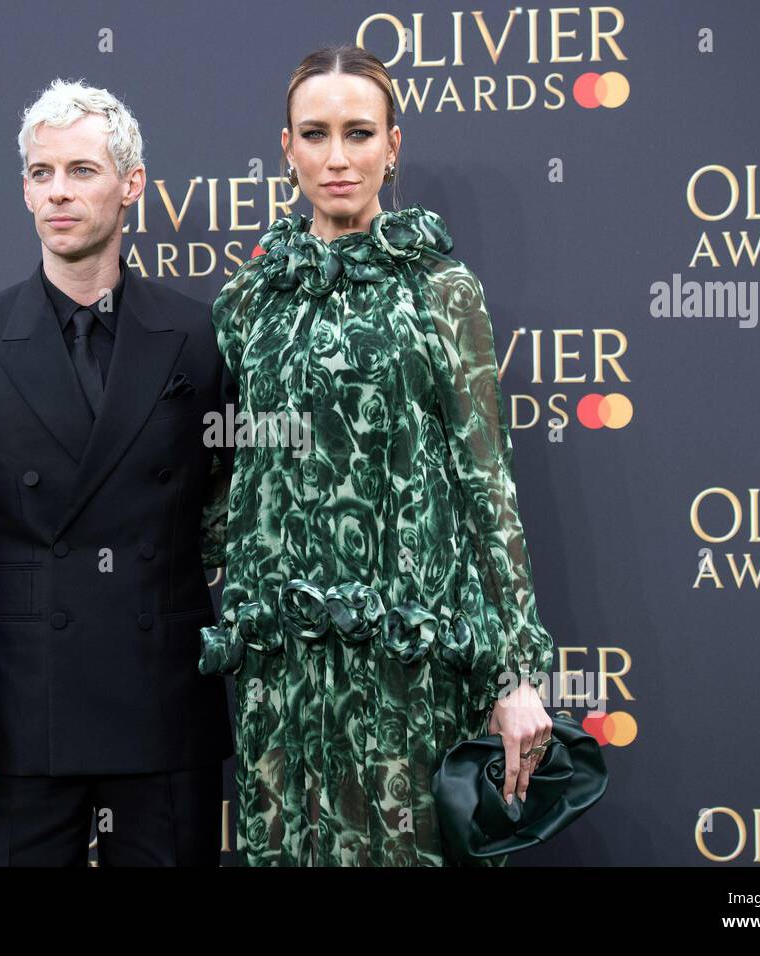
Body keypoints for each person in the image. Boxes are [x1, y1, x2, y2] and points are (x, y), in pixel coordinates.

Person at [199, 46, 557, 866]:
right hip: (282, 671)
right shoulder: (248, 300)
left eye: (358, 133)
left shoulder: (440, 289)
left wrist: (518, 674)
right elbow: (224, 479)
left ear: (393, 146)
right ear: (284, 149)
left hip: (410, 659)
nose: (336, 157)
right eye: (314, 134)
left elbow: (484, 482)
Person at [0, 78, 235, 866]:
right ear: (23, 188)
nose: (58, 193)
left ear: (131, 186)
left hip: (162, 701)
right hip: (27, 714)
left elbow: (242, 516)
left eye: (82, 171)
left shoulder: (201, 336)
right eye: (41, 173)